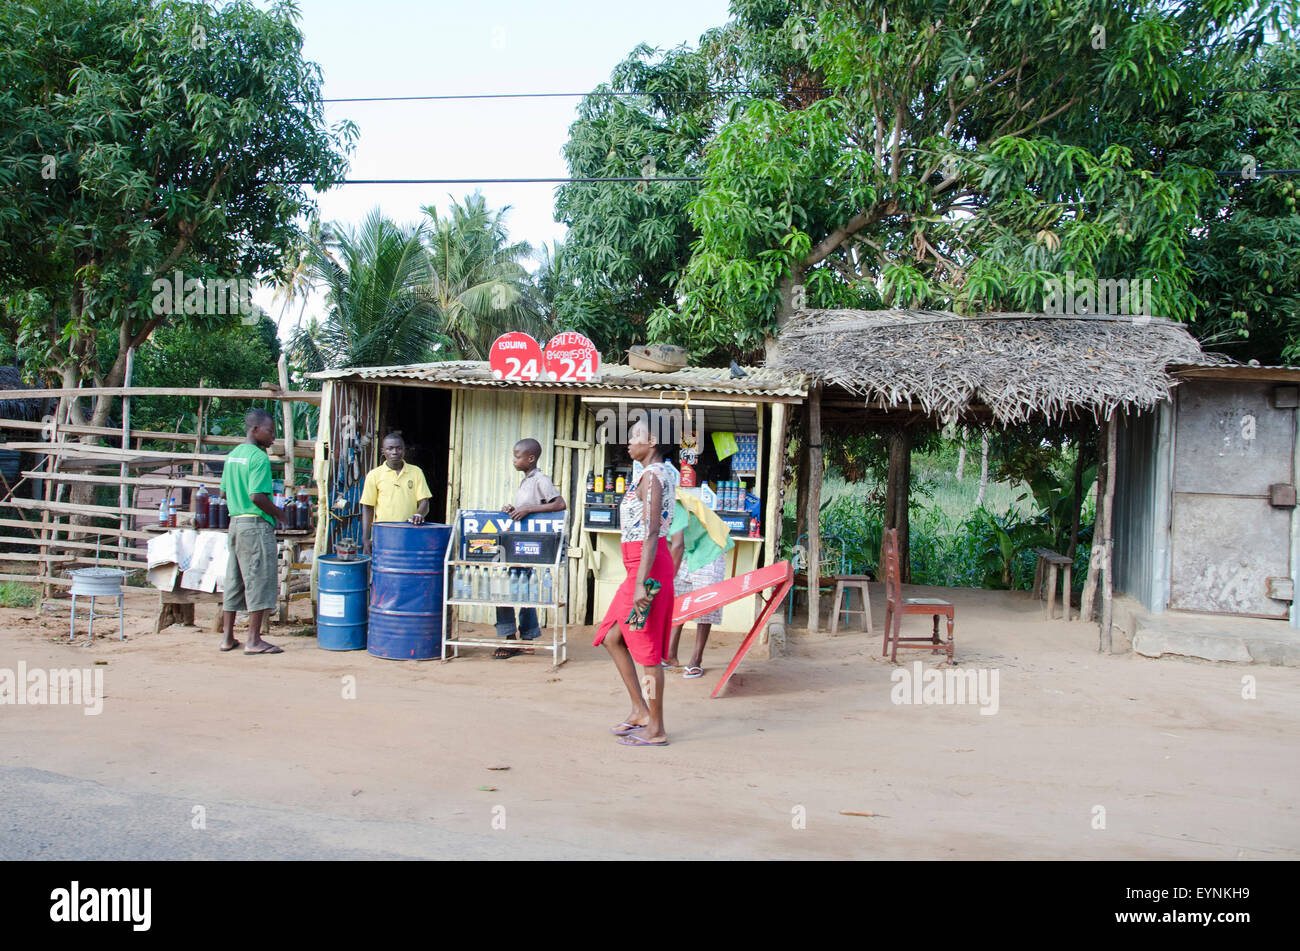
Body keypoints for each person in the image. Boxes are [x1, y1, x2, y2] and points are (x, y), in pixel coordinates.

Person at [594, 418, 675, 746]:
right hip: (639, 570)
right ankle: (640, 709)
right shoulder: (654, 473)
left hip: (648, 574)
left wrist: (642, 583)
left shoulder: (654, 477)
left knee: (647, 651)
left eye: (634, 437)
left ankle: (656, 728)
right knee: (613, 637)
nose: (628, 443)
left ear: (652, 440)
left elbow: (652, 531)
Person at [219, 408, 287, 655]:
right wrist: (280, 515)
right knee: (258, 580)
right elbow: (257, 496)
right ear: (255, 429)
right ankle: (254, 640)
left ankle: (227, 638)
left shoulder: (233, 455)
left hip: (235, 523)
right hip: (255, 525)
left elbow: (224, 493)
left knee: (235, 580)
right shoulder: (258, 458)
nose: (272, 438)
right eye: (270, 431)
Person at [495, 438, 566, 659]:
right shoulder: (526, 481)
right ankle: (525, 638)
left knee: (514, 592)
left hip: (531, 546)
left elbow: (559, 503)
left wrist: (527, 509)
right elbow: (528, 510)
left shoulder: (540, 479)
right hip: (517, 545)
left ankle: (514, 639)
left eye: (517, 456)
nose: (514, 460)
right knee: (519, 591)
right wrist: (514, 509)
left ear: (531, 458)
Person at [665, 492, 733, 678]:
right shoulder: (650, 507)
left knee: (704, 605)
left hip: (709, 546)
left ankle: (696, 659)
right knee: (678, 601)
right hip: (689, 549)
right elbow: (665, 543)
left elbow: (677, 545)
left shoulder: (674, 503)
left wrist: (668, 576)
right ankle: (671, 655)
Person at [359, 432, 432, 555]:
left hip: (410, 534)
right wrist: (365, 538)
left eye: (398, 448)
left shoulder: (416, 472)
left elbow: (424, 502)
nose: (394, 452)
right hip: (383, 535)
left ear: (404, 450)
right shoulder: (374, 475)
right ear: (383, 451)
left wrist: (419, 515)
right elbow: (368, 507)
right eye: (390, 448)